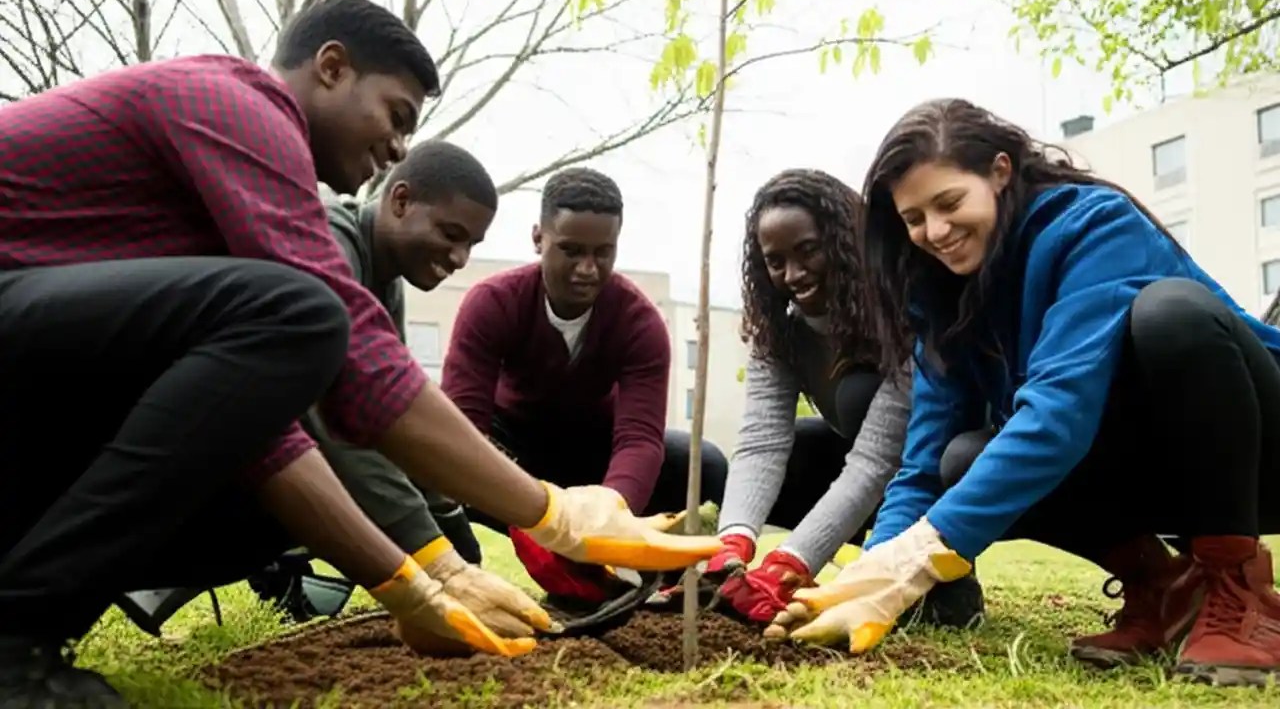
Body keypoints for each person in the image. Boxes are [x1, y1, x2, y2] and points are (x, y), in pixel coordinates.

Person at [0, 0, 720, 706]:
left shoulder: (224, 219)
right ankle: (15, 635)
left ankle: (29, 644)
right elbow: (353, 362)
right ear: (333, 68)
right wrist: (550, 513)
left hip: (33, 363)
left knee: (261, 488)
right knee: (305, 312)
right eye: (398, 116)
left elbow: (266, 439)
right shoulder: (230, 99)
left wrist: (409, 585)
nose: (402, 147)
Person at [767, 98, 1280, 688]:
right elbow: (922, 460)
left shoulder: (1094, 228)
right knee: (962, 458)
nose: (934, 232)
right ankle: (1162, 592)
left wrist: (913, 565)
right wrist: (873, 571)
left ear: (1001, 173)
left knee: (1172, 315)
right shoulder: (941, 298)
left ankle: (1237, 589)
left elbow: (1058, 414)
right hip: (1157, 468)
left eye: (949, 202)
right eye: (913, 218)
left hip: (1258, 450)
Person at [662, 169, 983, 629]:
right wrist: (729, 549)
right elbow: (760, 444)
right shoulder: (779, 332)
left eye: (808, 250)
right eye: (776, 261)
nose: (793, 274)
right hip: (869, 471)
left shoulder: (905, 313)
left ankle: (947, 581)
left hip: (935, 470)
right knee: (799, 448)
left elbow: (878, 458)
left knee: (857, 399)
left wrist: (790, 565)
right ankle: (874, 560)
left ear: (845, 239)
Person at [441, 166, 729, 605]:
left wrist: (606, 517)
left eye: (603, 252)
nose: (588, 270)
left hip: (595, 456)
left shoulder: (639, 322)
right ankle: (453, 577)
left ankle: (659, 587)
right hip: (508, 452)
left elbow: (638, 437)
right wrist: (533, 516)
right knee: (436, 461)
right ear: (539, 238)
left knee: (702, 464)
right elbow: (464, 431)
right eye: (570, 250)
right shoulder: (492, 304)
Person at [247, 140, 498, 623]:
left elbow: (393, 418)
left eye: (472, 244)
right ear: (400, 201)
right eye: (452, 233)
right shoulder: (328, 244)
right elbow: (341, 415)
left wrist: (453, 529)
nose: (462, 257)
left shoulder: (386, 283)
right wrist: (437, 563)